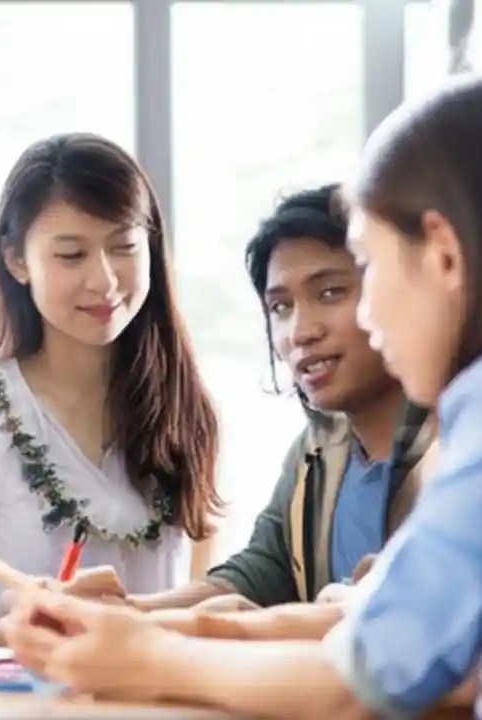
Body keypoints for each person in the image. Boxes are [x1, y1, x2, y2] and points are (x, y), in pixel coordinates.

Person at [1, 73, 482, 719]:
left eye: (365, 270)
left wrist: (144, 658)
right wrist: (156, 632)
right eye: (280, 307)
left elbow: (362, 683)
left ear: (445, 255)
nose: (367, 314)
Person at [0, 133, 222, 645]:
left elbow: (203, 597)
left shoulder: (188, 411)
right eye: (72, 255)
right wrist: (24, 627)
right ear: (16, 261)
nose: (105, 281)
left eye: (124, 248)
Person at [130, 184, 439, 613]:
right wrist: (126, 612)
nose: (300, 331)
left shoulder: (464, 441)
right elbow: (262, 571)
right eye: (280, 307)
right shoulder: (318, 449)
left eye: (330, 292)